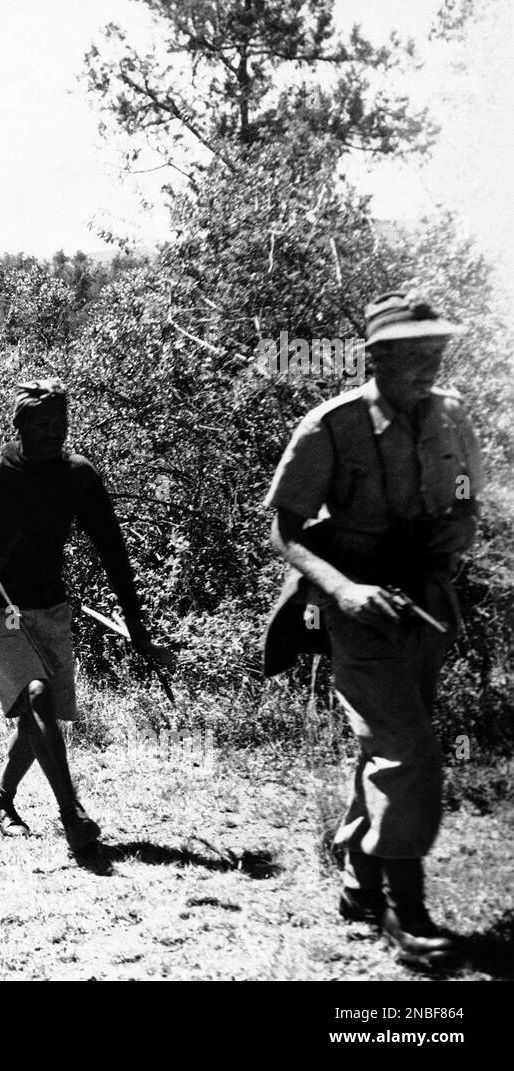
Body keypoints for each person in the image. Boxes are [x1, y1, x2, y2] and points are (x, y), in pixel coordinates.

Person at [264, 290, 484, 971]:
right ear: (376, 356)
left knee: (387, 742)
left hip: (425, 602)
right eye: (414, 354)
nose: (429, 365)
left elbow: (470, 495)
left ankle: (360, 881)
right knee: (409, 748)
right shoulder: (332, 426)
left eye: (437, 351)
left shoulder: (451, 415)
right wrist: (342, 590)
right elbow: (283, 529)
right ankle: (405, 912)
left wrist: (460, 526)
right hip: (354, 606)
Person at [0, 379, 172, 862]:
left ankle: (0, 799)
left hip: (50, 610)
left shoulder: (78, 476)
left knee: (38, 721)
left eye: (60, 424)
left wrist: (140, 632)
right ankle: (73, 817)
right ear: (19, 424)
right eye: (42, 425)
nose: (53, 433)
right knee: (38, 697)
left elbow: (115, 555)